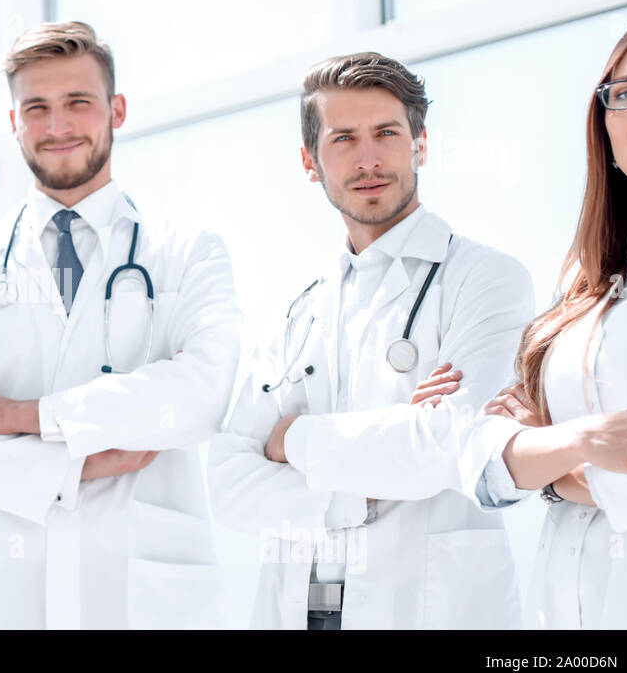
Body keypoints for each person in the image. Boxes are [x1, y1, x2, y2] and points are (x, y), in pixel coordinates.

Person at [0, 21, 241, 629]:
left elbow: (198, 397)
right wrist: (76, 465)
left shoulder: (188, 253)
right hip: (0, 594)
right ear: (13, 124)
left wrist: (19, 416)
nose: (57, 126)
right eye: (36, 108)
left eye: (78, 102)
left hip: (147, 597)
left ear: (117, 109)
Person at [208, 52, 534, 629]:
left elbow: (449, 443)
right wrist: (353, 496)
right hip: (300, 608)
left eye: (387, 132)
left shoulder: (485, 278)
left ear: (420, 145)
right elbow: (229, 481)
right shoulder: (300, 310)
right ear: (311, 162)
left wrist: (293, 440)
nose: (368, 159)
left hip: (428, 605)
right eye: (343, 139)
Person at [461, 13, 627, 629]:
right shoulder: (591, 293)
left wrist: (547, 464)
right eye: (626, 93)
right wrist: (586, 444)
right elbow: (482, 460)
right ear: (603, 121)